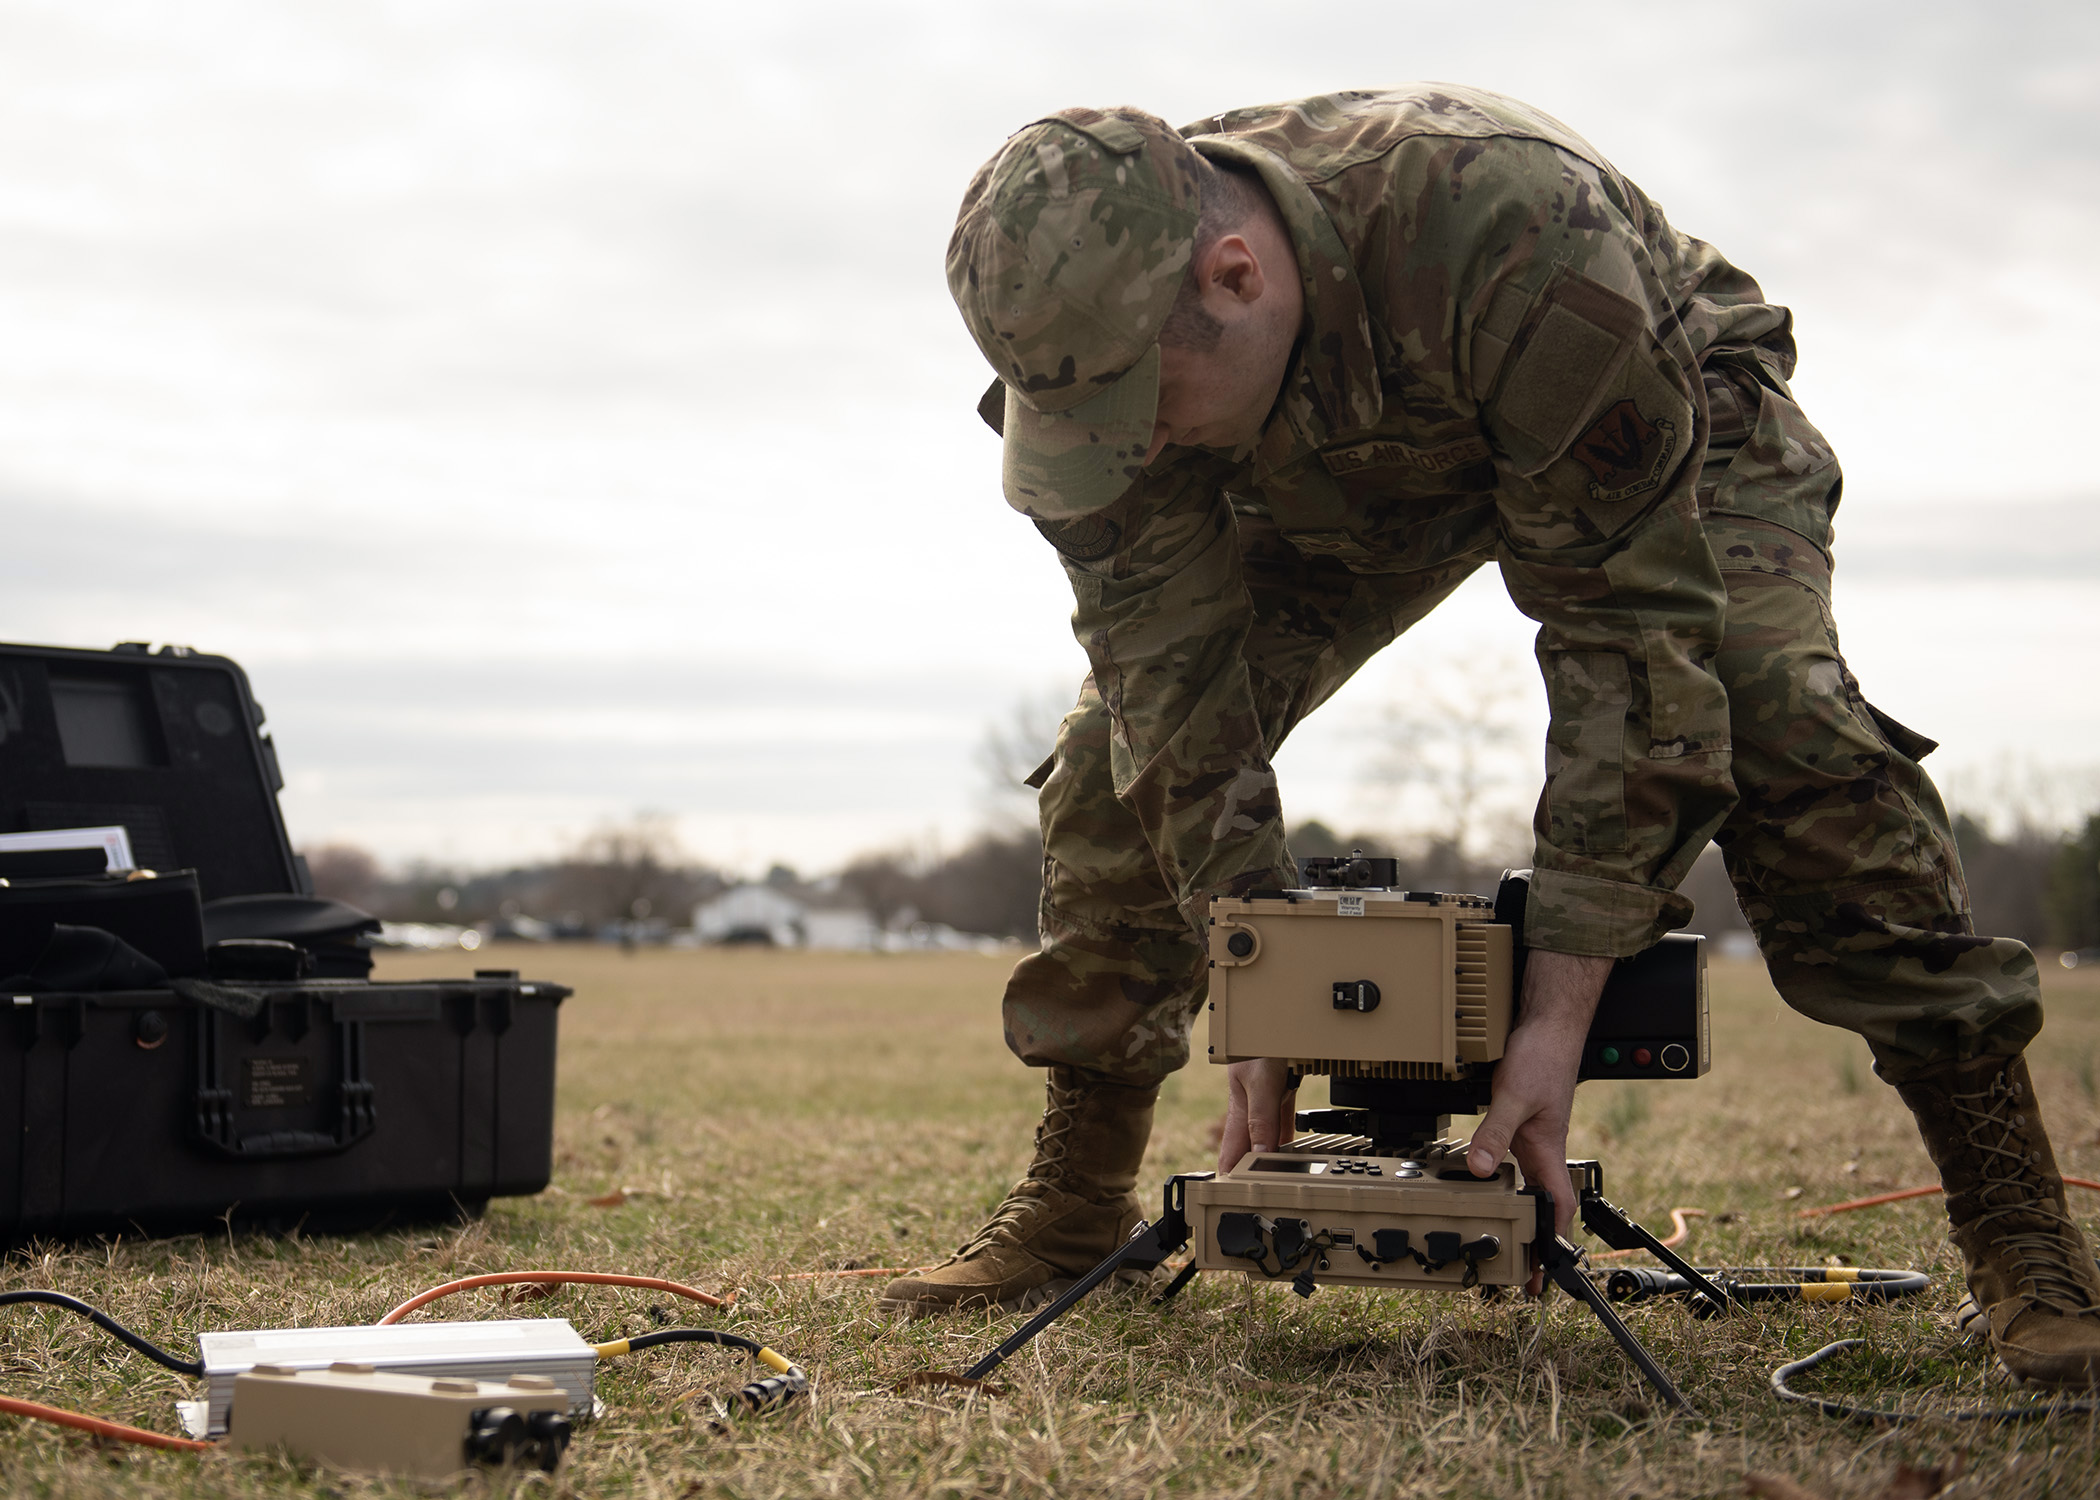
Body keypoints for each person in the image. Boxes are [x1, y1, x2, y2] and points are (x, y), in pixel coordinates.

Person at [880, 85, 2100, 1386]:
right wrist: (1263, 978)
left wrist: (1558, 1012)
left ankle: (2019, 1226)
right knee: (1105, 768)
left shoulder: (1515, 235)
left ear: (1234, 275)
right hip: (1324, 458)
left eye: (1146, 400)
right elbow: (1167, 692)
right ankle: (1075, 1201)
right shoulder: (1090, 366)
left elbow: (1630, 644)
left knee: (1774, 716)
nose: (1131, 443)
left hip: (1651, 401)